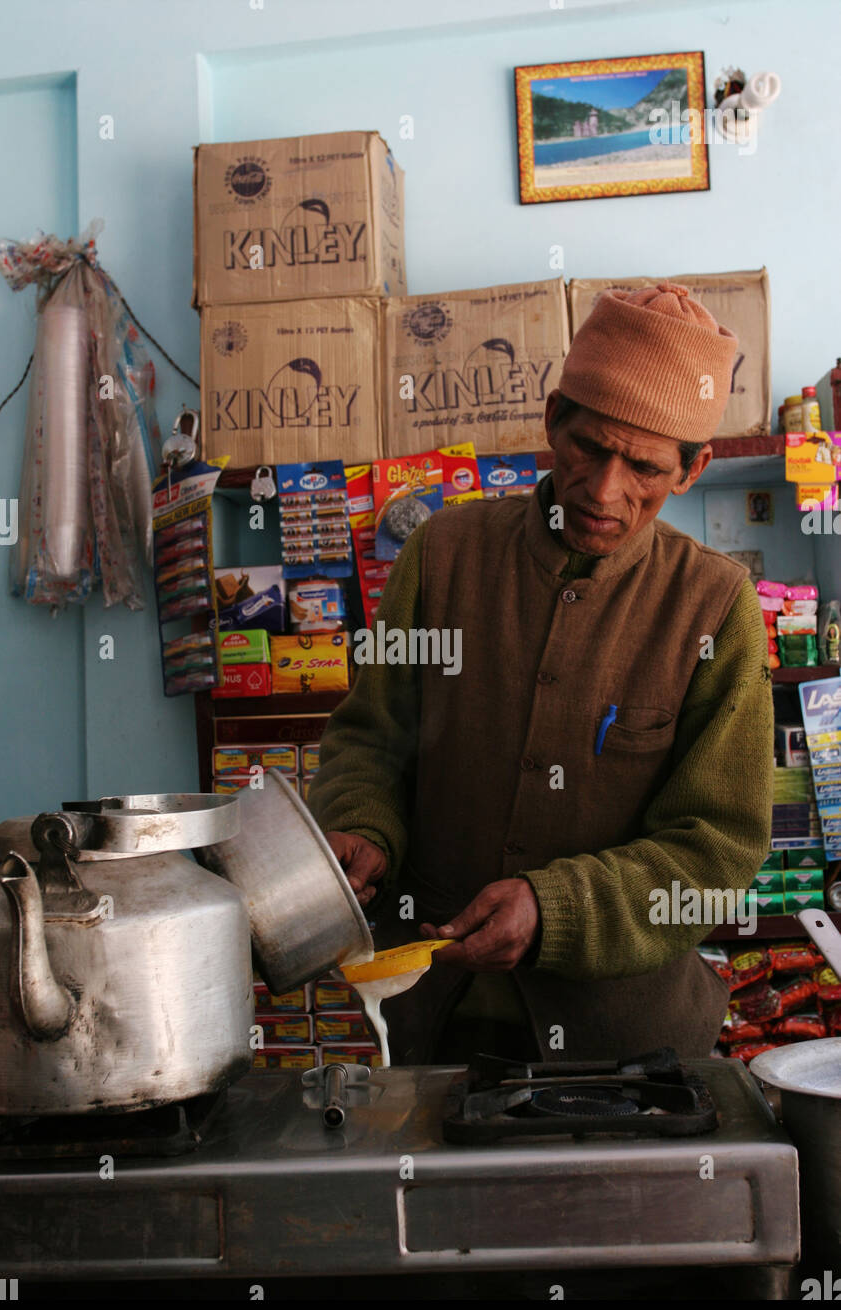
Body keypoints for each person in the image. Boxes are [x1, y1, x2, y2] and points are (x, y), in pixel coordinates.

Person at [307, 283, 774, 1065]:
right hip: (429, 1024)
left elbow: (716, 855)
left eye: (647, 468)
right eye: (590, 446)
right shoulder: (443, 556)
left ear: (692, 470)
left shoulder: (717, 608)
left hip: (625, 1048)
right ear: (554, 418)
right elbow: (372, 739)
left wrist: (556, 910)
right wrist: (362, 825)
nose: (604, 490)